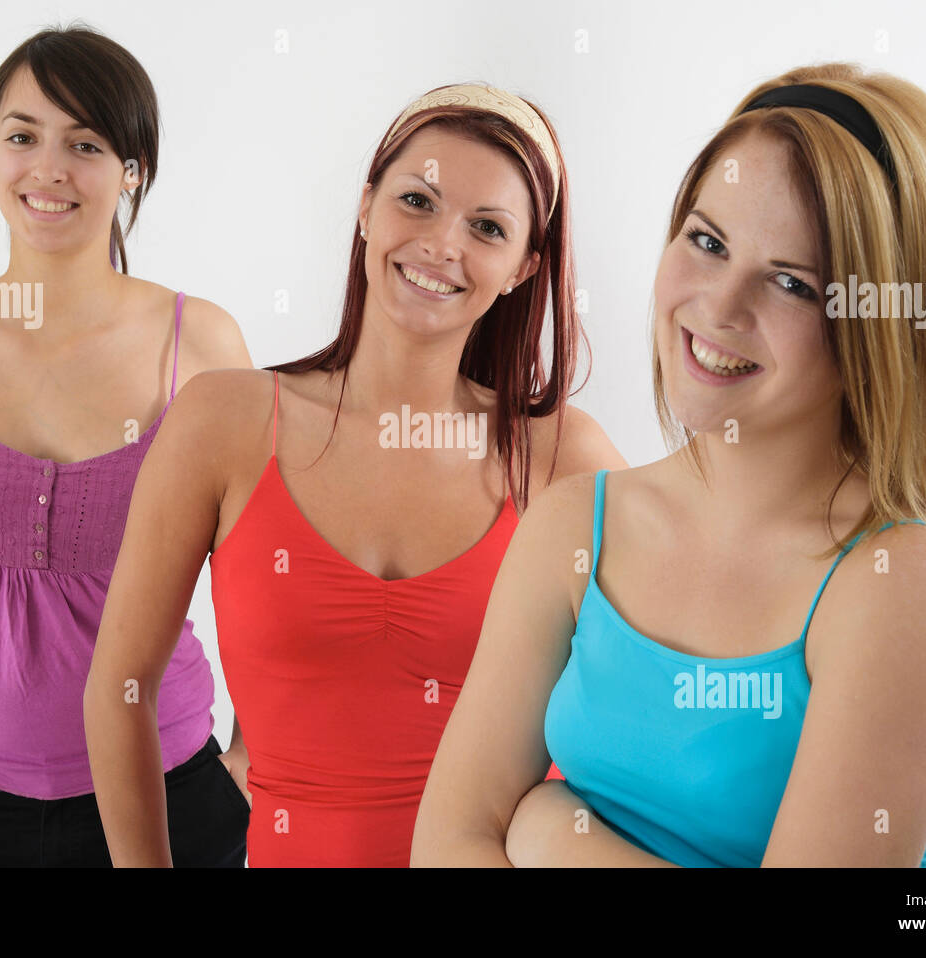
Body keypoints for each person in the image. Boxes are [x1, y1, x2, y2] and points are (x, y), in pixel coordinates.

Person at [413, 63, 926, 867]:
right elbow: (447, 845)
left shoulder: (903, 581)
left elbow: (495, 833)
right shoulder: (574, 523)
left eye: (794, 284)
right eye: (707, 242)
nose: (719, 309)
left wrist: (552, 837)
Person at [86, 83, 628, 866]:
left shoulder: (561, 458)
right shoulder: (224, 422)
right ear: (366, 206)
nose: (444, 244)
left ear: (522, 267)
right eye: (418, 200)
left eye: (487, 227)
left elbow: (661, 687)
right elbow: (120, 688)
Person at [0, 25, 253, 867]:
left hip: (166, 797)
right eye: (23, 135)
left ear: (132, 167)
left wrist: (247, 765)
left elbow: (261, 583)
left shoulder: (199, 343)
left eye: (86, 143)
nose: (49, 168)